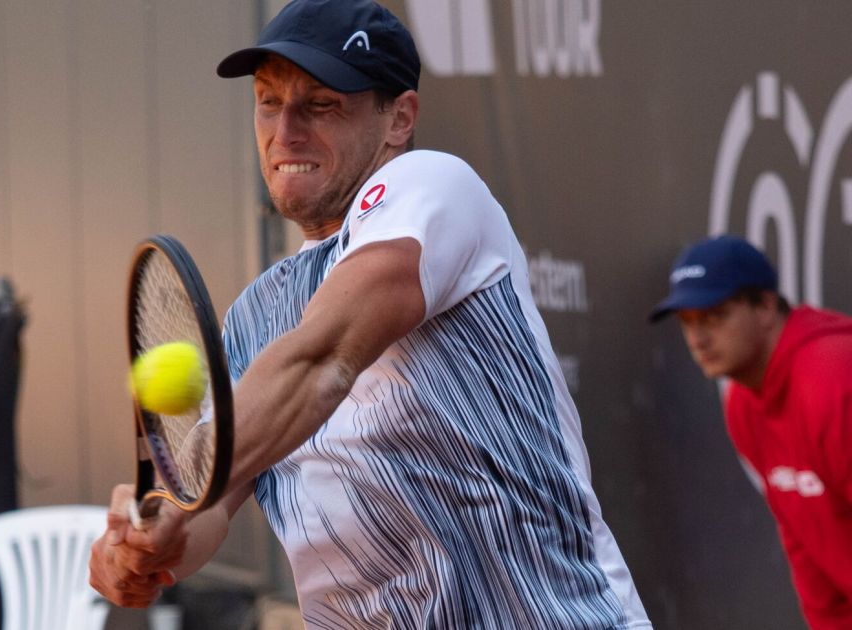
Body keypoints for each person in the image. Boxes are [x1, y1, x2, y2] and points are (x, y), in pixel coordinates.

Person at [90, 1, 651, 627]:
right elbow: (213, 509)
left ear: (399, 119)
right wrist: (147, 545)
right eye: (268, 101)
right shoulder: (254, 319)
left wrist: (186, 490)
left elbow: (322, 360)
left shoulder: (433, 186)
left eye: (322, 104)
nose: (286, 131)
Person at [650, 235, 852, 628]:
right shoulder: (743, 403)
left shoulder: (834, 378)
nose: (698, 339)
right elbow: (807, 547)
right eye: (687, 322)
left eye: (714, 315)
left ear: (765, 306)